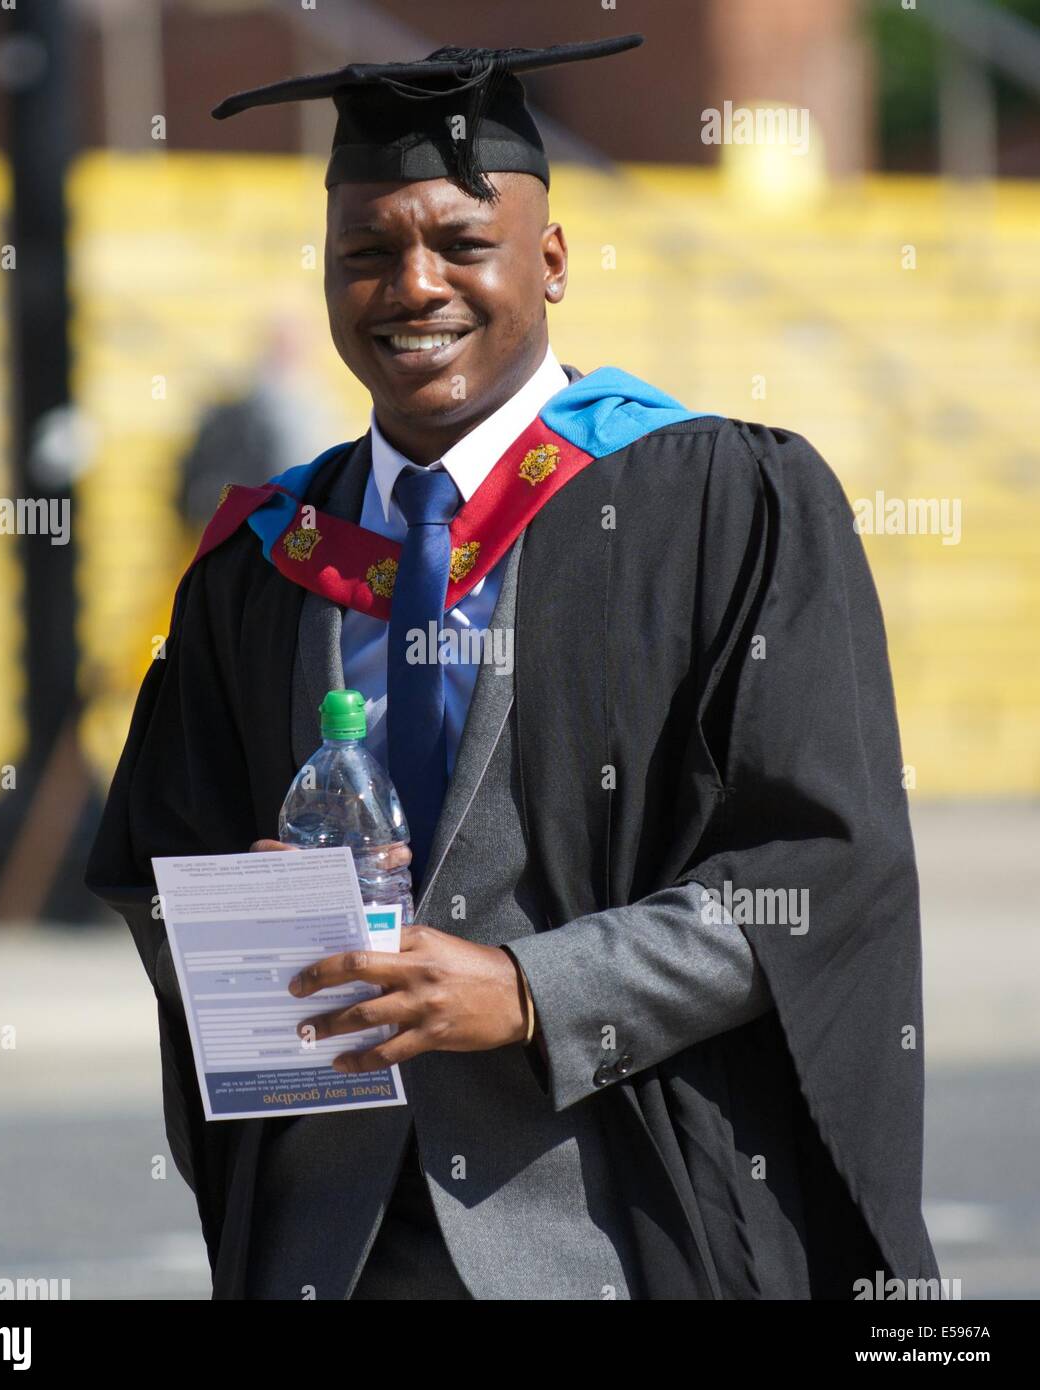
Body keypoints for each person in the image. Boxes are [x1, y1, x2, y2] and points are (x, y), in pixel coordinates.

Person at [85, 35, 940, 1300]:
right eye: (366, 254)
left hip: (628, 1213)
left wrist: (532, 990)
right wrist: (242, 931)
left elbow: (818, 870)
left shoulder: (717, 506)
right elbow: (160, 860)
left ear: (546, 260)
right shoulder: (267, 560)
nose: (410, 285)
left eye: (459, 246)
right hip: (331, 1239)